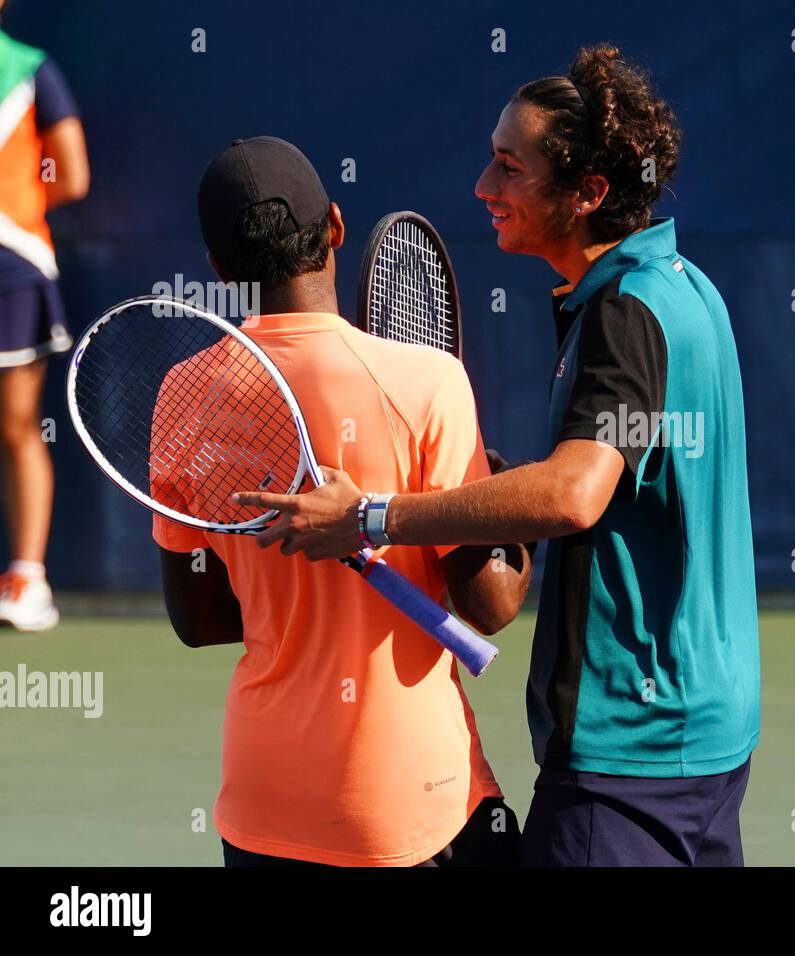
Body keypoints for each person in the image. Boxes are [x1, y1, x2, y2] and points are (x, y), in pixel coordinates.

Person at [235, 47, 762, 867]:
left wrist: (369, 515)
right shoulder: (687, 288)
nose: (484, 187)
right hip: (711, 737)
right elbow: (623, 478)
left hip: (627, 754)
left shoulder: (626, 314)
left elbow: (575, 495)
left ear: (585, 195)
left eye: (510, 168)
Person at [160, 136, 531, 866]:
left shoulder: (180, 394)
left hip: (264, 805)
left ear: (219, 269)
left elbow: (201, 621)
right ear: (333, 225)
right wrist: (503, 505)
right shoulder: (430, 381)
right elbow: (491, 603)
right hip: (412, 805)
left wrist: (289, 590)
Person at [0, 3, 89, 630]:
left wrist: (12, 214)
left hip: (13, 265)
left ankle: (28, 581)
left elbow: (71, 176)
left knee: (16, 424)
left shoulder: (32, 72)